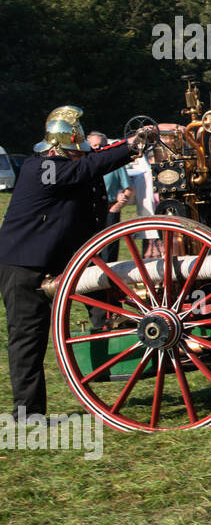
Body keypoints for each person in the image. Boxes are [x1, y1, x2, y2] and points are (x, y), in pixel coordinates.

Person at [0, 107, 150, 421]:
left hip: (65, 260)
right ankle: (27, 414)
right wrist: (130, 146)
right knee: (28, 339)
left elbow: (92, 165)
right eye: (74, 152)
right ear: (57, 150)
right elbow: (84, 170)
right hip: (24, 264)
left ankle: (118, 345)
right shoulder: (40, 167)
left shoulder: (69, 166)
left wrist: (129, 144)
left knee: (102, 303)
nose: (79, 157)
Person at [86, 131, 134, 332]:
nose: (97, 149)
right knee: (92, 259)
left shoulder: (114, 166)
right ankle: (104, 313)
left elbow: (128, 189)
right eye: (93, 147)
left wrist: (117, 206)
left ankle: (111, 308)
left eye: (100, 146)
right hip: (89, 214)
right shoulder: (85, 165)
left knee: (109, 257)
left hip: (109, 210)